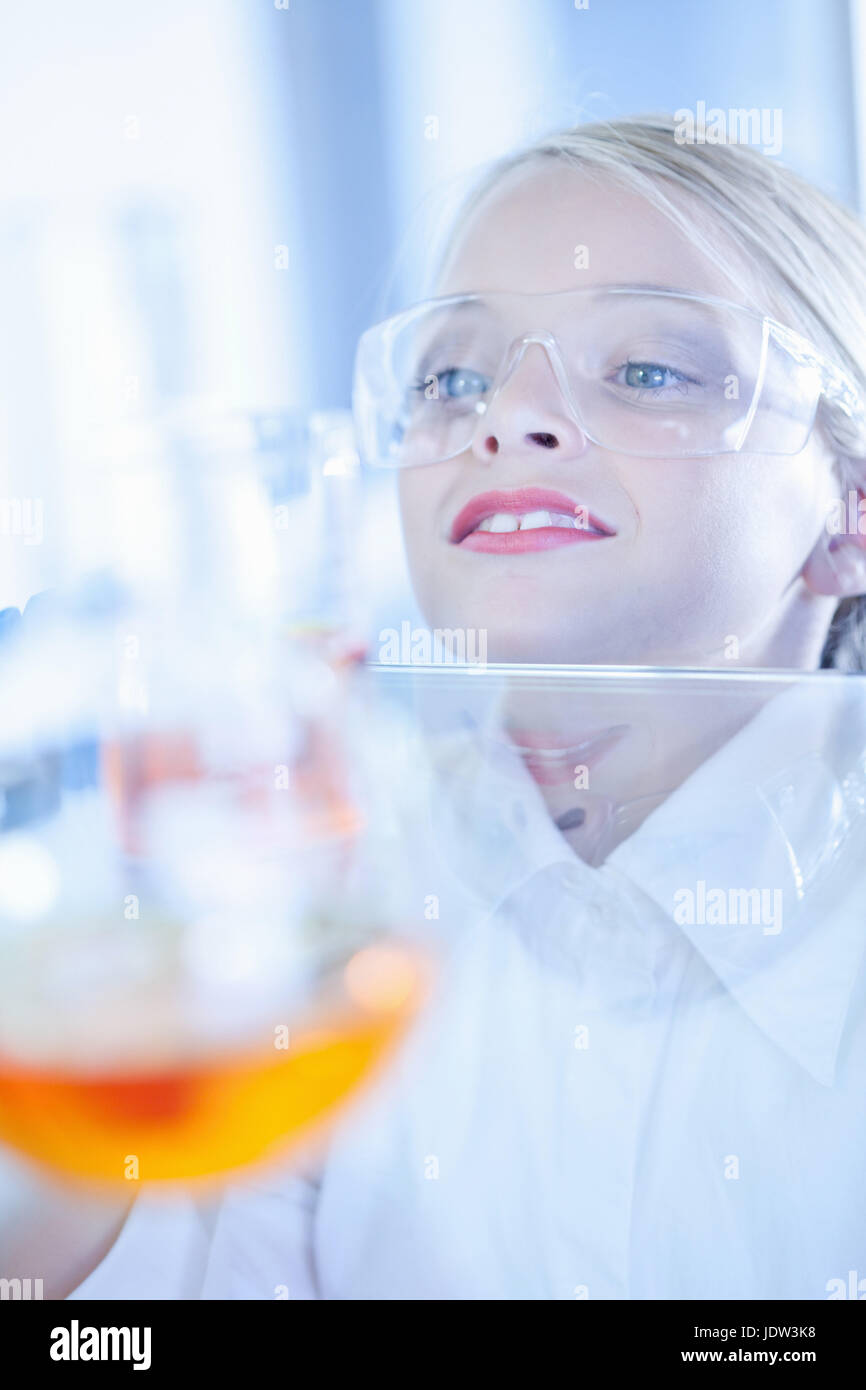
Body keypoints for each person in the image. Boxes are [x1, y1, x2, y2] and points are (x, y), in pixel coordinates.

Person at [6, 113, 866, 1299]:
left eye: (648, 369)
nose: (504, 415)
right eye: (452, 376)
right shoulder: (333, 911)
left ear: (851, 514)